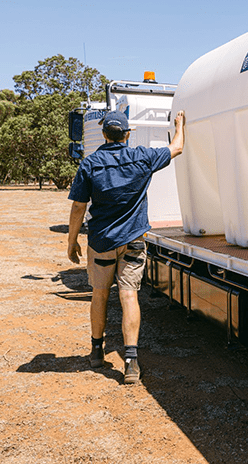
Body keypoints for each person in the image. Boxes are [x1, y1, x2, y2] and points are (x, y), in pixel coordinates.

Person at [66, 109, 185, 384]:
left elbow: (78, 207)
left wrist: (71, 241)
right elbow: (177, 147)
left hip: (102, 242)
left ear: (104, 135)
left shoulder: (90, 164)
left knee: (100, 295)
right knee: (129, 296)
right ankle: (131, 362)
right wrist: (180, 125)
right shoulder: (142, 157)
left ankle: (97, 352)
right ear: (127, 134)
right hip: (132, 240)